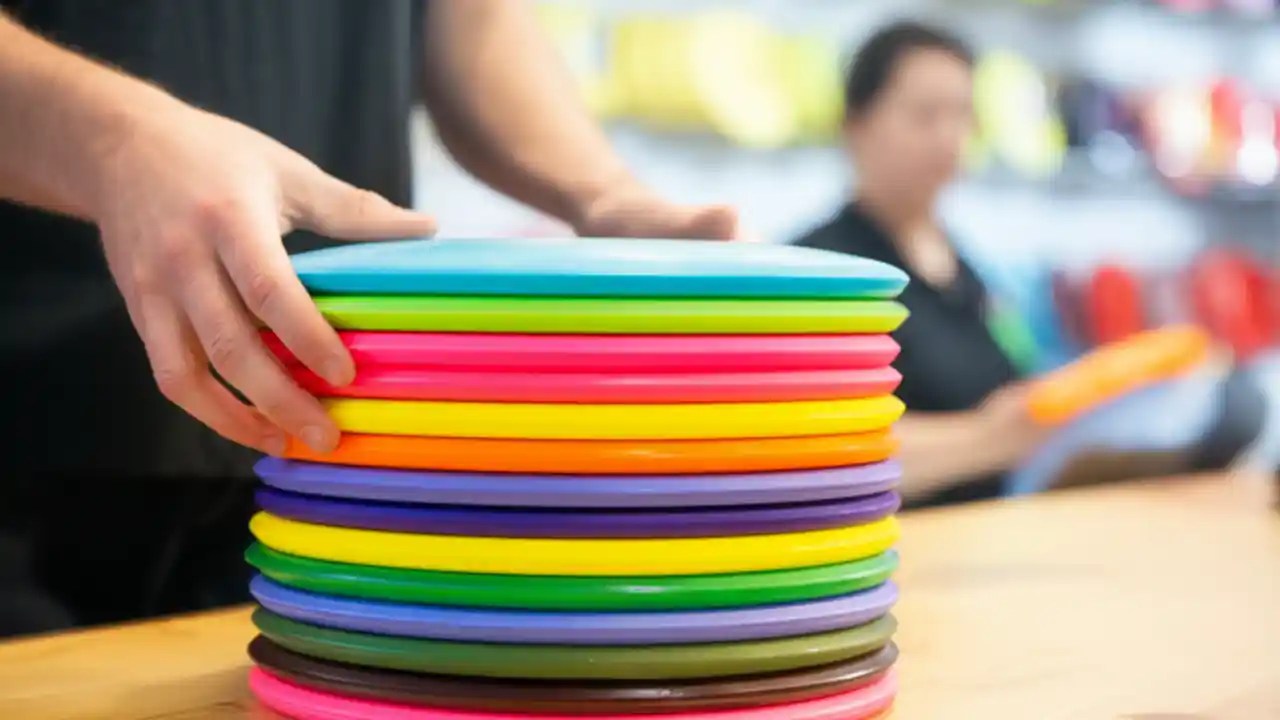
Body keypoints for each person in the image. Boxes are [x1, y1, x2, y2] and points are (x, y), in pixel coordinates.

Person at [0, 0, 739, 636]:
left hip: (337, 450)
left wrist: (602, 192)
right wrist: (117, 141)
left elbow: (471, 22)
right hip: (30, 410)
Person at [795, 22, 1047, 507]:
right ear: (856, 124)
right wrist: (987, 438)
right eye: (925, 115)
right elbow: (818, 445)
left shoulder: (969, 270)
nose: (949, 138)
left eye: (962, 116)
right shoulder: (816, 272)